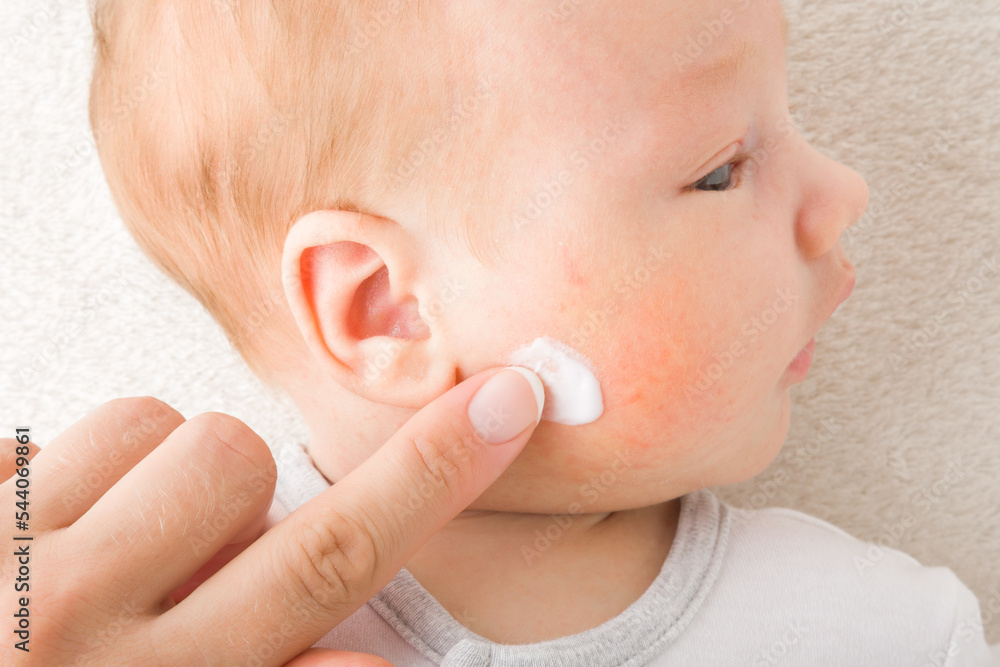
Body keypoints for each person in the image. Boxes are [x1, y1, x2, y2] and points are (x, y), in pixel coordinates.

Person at [23, 0, 997, 663]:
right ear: (387, 311)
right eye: (718, 169)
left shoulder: (889, 629)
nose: (844, 193)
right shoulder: (138, 622)